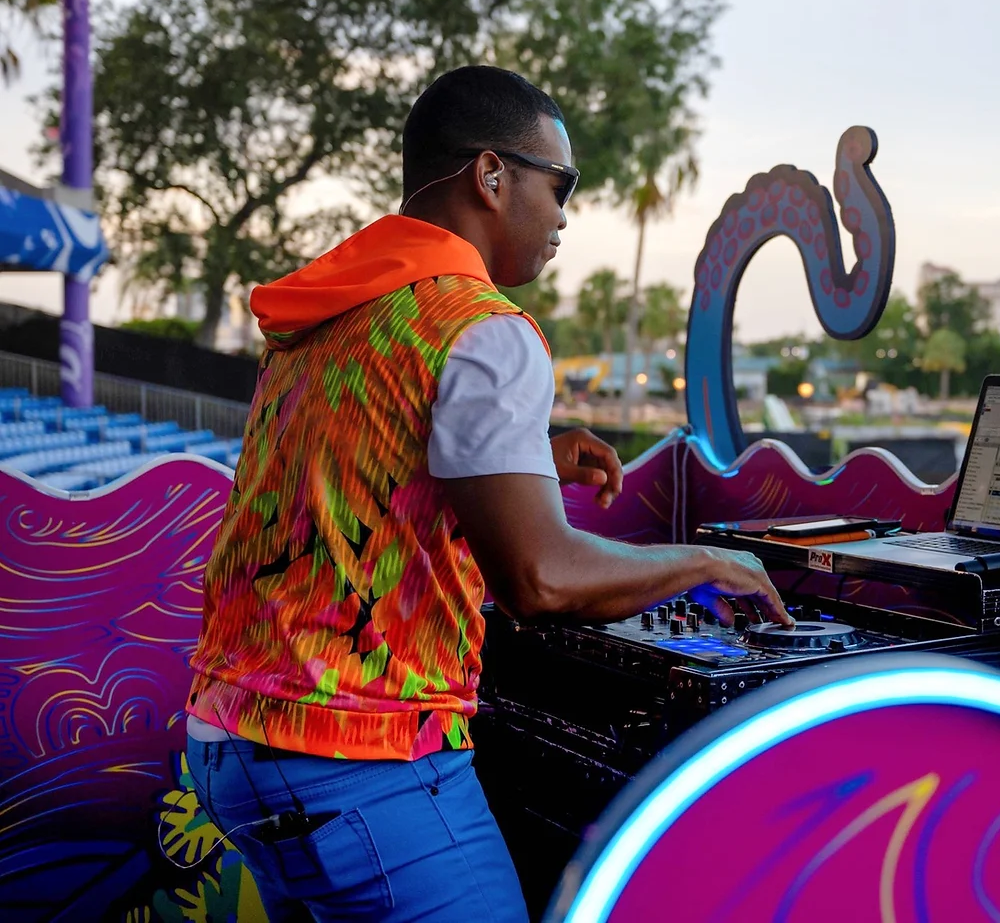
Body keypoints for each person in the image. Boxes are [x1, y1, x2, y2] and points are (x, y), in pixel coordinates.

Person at [183, 65, 789, 923]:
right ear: (492, 176)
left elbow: (360, 459)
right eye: (561, 183)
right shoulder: (484, 329)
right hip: (359, 753)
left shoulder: (333, 309)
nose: (565, 213)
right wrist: (704, 562)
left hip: (232, 738)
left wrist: (526, 452)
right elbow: (538, 580)